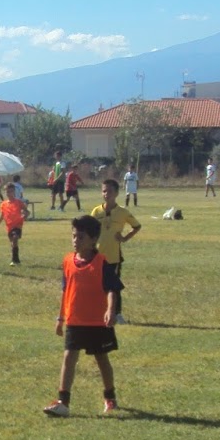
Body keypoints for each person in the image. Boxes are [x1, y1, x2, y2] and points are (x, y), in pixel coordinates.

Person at [43, 214, 119, 417]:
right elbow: (65, 291)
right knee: (68, 357)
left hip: (96, 322)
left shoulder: (102, 263)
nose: (76, 240)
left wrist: (110, 310)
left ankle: (110, 398)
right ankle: (63, 402)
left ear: (94, 240)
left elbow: (112, 289)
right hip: (75, 320)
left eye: (81, 237)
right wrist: (60, 318)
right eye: (74, 236)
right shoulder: (68, 261)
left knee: (102, 360)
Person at [91, 178, 141, 324]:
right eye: (104, 191)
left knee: (114, 287)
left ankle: (117, 313)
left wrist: (125, 238)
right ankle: (99, 311)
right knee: (96, 286)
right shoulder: (96, 211)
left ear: (117, 193)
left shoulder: (123, 212)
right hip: (97, 256)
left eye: (110, 191)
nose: (106, 194)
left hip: (113, 257)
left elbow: (137, 226)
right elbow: (89, 229)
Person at [0, 183, 26, 266]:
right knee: (13, 243)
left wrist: (24, 215)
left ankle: (14, 260)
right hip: (9, 227)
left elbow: (27, 211)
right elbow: (2, 215)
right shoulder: (4, 204)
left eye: (10, 191)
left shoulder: (18, 202)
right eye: (7, 192)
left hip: (17, 226)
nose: (9, 193)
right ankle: (17, 260)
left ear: (14, 192)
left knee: (15, 238)